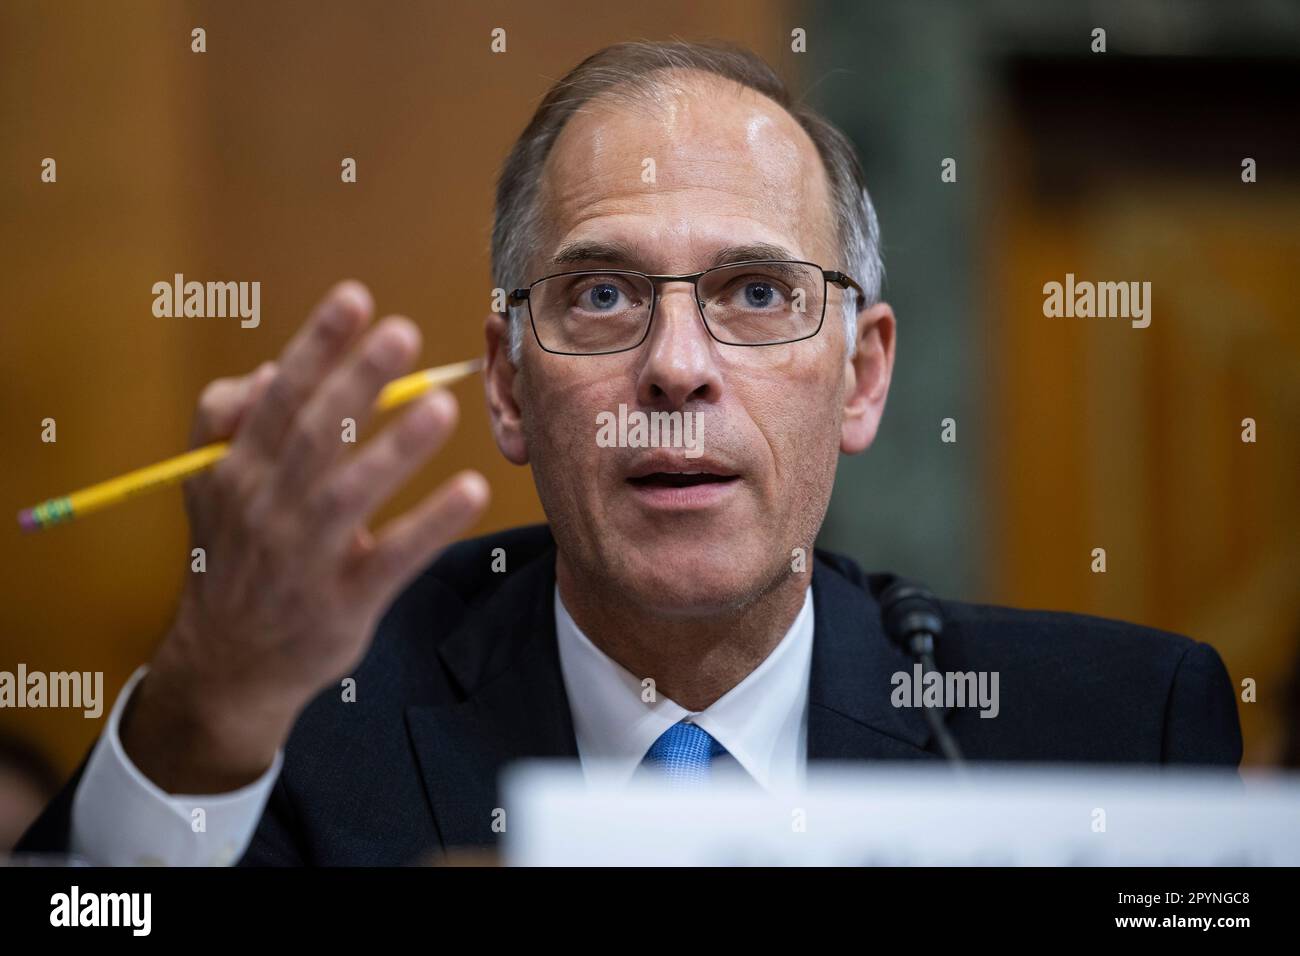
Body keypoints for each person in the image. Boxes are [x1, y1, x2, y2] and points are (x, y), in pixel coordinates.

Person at [18, 40, 1241, 866]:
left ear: (862, 376)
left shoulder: (1110, 731)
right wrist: (210, 705)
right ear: (506, 383)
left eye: (756, 291)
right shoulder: (299, 730)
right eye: (601, 293)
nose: (675, 365)